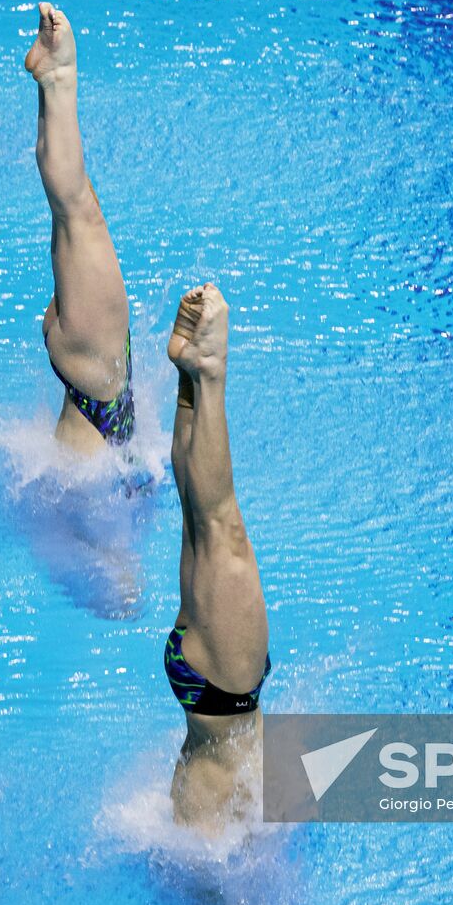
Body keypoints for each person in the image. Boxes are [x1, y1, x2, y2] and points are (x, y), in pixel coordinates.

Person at [163, 283, 272, 835]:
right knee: (211, 525)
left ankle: (198, 377)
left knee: (211, 525)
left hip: (217, 697)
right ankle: (201, 375)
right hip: (214, 702)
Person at [24, 1, 134, 454]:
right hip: (98, 395)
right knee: (75, 213)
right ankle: (55, 81)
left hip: (99, 387)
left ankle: (57, 80)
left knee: (77, 214)